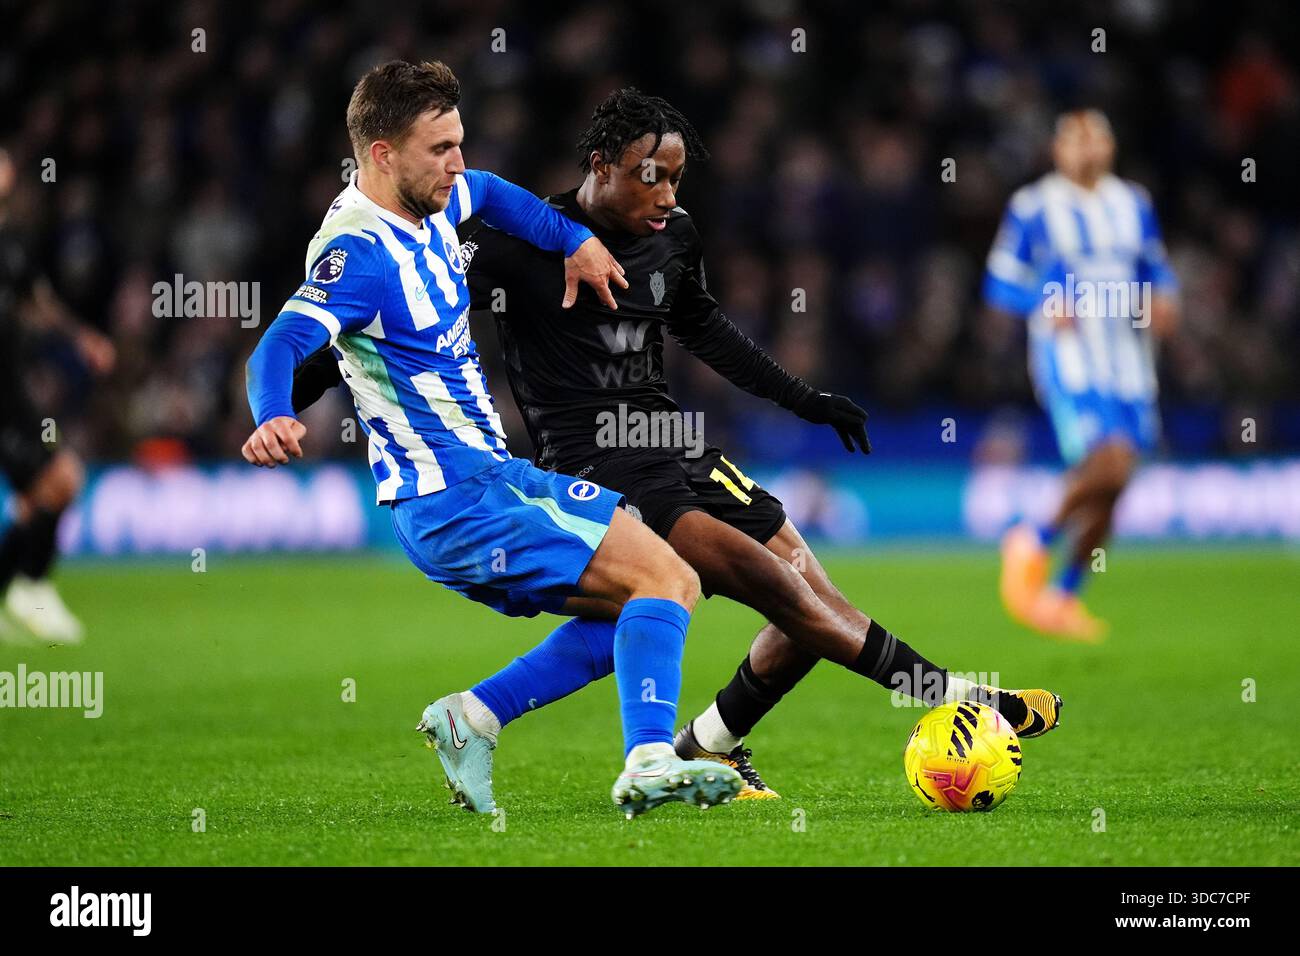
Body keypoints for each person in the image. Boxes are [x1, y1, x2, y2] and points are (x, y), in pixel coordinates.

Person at [295, 88, 1063, 810]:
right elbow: (394, 312)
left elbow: (705, 329)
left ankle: (710, 743)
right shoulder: (513, 247)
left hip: (676, 445)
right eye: (651, 177)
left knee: (807, 594)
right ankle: (975, 702)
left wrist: (804, 399)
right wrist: (298, 388)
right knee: (784, 596)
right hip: (598, 462)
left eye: (677, 178)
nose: (667, 196)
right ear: (601, 168)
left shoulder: (675, 238)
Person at [243, 61, 745, 818]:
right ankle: (647, 760)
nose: (457, 164)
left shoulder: (438, 201)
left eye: (459, 143)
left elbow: (503, 199)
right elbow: (277, 345)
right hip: (451, 498)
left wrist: (574, 239)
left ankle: (471, 717)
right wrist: (273, 412)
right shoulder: (360, 255)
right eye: (439, 149)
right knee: (665, 579)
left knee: (648, 590)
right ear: (381, 154)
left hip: (488, 478)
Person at [984, 109, 1179, 642]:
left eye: (1098, 137)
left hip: (1131, 364)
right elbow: (999, 283)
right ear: (1057, 149)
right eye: (1077, 139)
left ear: (1112, 146)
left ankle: (1063, 596)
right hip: (1071, 360)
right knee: (1108, 462)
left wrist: (1165, 297)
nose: (1089, 148)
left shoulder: (1133, 203)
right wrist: (1044, 301)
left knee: (1116, 484)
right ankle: (1031, 540)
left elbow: (1155, 267)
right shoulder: (1033, 207)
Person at [0, 147, 116, 644]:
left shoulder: (11, 246)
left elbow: (37, 301)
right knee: (57, 480)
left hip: (9, 388)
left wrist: (81, 337)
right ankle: (30, 588)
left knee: (48, 489)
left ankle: (26, 588)